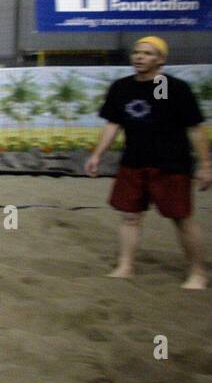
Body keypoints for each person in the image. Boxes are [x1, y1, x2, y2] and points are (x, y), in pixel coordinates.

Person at [86, 37, 211, 289]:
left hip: (171, 164)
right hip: (133, 162)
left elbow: (194, 129)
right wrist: (97, 154)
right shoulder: (121, 88)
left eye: (147, 53)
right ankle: (126, 265)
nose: (139, 57)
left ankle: (198, 273)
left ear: (160, 59)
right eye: (136, 52)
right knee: (130, 216)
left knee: (181, 218)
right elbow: (113, 124)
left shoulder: (175, 88)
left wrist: (205, 164)